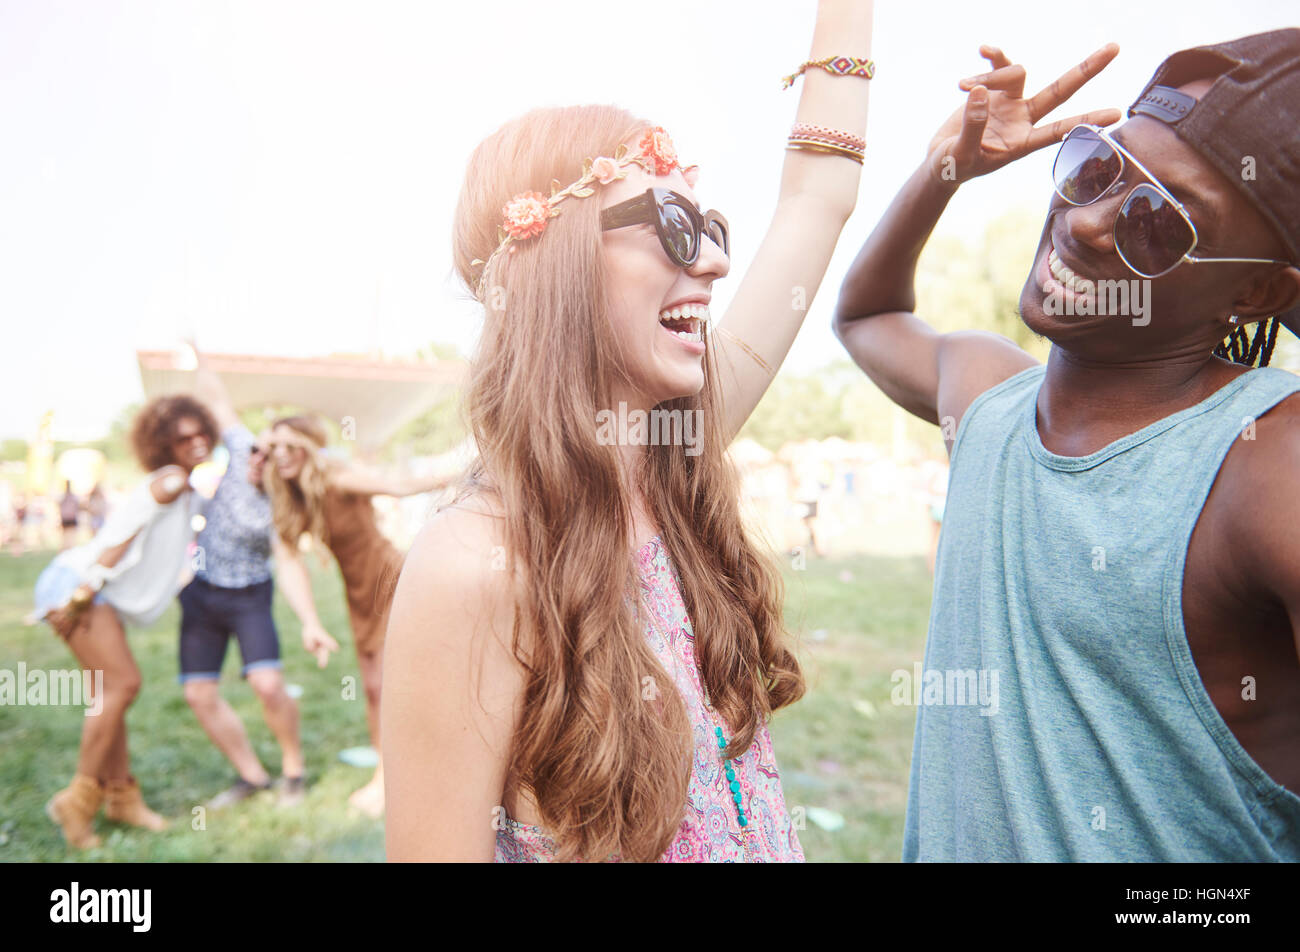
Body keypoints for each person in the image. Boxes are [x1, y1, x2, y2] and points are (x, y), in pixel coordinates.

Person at [383, 0, 874, 862]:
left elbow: (815, 202)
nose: (716, 262)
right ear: (553, 258)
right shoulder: (471, 564)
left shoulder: (674, 458)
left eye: (712, 228)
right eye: (676, 229)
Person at [834, 32, 1300, 860]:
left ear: (1257, 292)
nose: (1084, 224)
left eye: (1160, 223)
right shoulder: (986, 400)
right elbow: (866, 317)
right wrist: (947, 170)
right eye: (1097, 169)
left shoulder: (1269, 465)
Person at [33, 396, 218, 849]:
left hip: (92, 589)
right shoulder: (171, 480)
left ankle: (122, 797)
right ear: (163, 444)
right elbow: (121, 536)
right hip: (82, 585)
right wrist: (82, 594)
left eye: (201, 434)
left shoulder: (185, 485)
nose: (196, 443)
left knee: (109, 692)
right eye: (183, 437)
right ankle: (76, 801)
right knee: (122, 685)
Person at [179, 347, 340, 809]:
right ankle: (251, 776)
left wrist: (310, 621)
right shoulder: (238, 446)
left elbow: (289, 564)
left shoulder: (281, 504)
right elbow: (217, 400)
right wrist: (198, 356)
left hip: (249, 596)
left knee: (268, 685)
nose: (258, 457)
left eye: (270, 455)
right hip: (202, 595)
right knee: (198, 692)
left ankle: (293, 770)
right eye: (259, 448)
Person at [263, 414, 447, 817]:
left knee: (387, 685)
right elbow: (289, 561)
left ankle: (390, 780)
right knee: (373, 689)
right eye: (272, 447)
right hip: (360, 594)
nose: (279, 455)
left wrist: (471, 472)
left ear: (310, 447)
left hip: (393, 581)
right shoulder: (292, 495)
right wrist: (310, 621)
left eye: (289, 445)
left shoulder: (337, 477)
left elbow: (397, 486)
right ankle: (392, 774)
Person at [58, 481, 80, 550]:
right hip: (66, 518)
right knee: (66, 536)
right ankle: (67, 548)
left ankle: (69, 548)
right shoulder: (64, 496)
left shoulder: (72, 497)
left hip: (70, 517)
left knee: (71, 536)